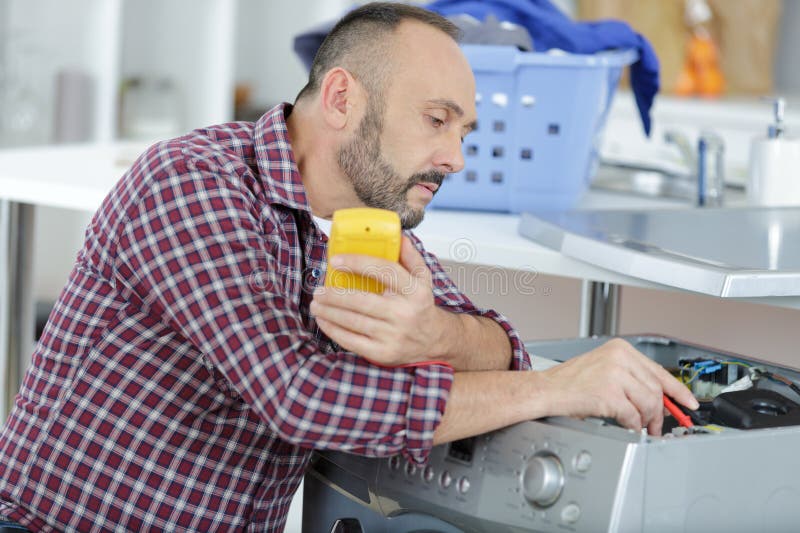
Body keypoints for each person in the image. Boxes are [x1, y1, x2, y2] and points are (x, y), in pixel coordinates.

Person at [0, 3, 697, 532]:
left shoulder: (368, 225)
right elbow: (298, 396)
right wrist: (559, 386)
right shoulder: (191, 182)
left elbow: (493, 341)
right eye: (436, 120)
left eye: (464, 131)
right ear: (341, 100)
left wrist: (432, 335)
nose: (457, 157)